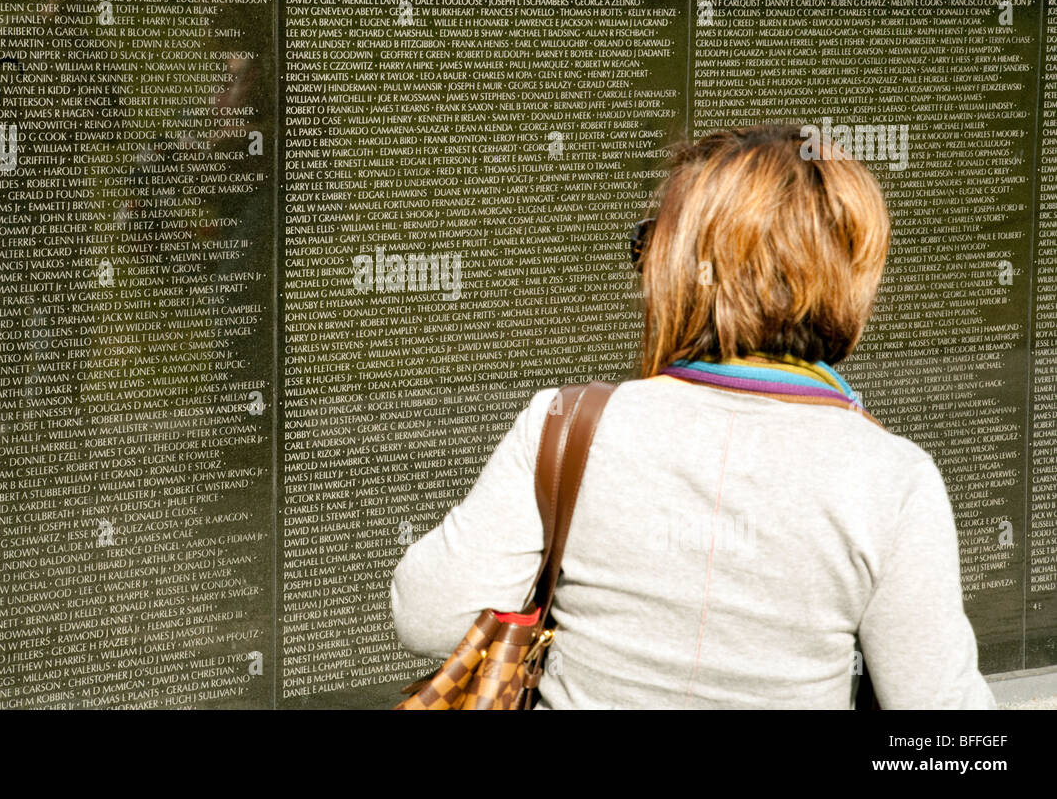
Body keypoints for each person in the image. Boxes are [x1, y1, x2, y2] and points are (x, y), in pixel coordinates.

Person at [389, 123, 996, 708]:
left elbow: (428, 616)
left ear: (682, 271)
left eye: (650, 245)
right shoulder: (892, 476)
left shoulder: (569, 425)